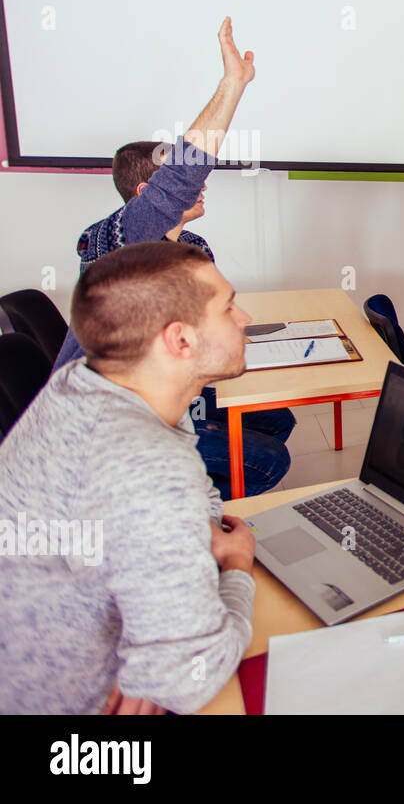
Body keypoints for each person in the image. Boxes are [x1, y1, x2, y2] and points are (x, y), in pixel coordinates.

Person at [0, 241, 257, 714]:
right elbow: (186, 677)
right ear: (181, 340)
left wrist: (191, 537)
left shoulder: (86, 384)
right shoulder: (143, 460)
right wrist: (239, 566)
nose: (244, 319)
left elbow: (199, 500)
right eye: (228, 307)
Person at [51, 17, 294, 500]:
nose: (200, 182)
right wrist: (231, 87)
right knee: (266, 460)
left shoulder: (192, 250)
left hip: (172, 394)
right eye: (173, 180)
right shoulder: (110, 242)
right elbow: (180, 179)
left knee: (276, 417)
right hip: (107, 432)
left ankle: (186, 499)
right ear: (147, 194)